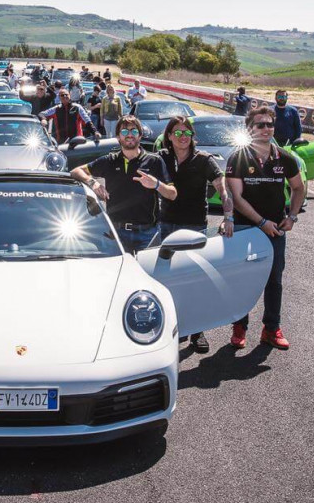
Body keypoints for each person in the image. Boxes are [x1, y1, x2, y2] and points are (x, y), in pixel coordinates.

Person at [226, 105, 307, 351]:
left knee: (274, 281)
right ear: (249, 129)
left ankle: (271, 329)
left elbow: (299, 188)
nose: (266, 129)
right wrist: (261, 223)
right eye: (260, 125)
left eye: (269, 124)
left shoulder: (285, 158)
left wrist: (292, 216)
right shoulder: (238, 157)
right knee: (243, 280)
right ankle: (240, 327)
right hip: (245, 228)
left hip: (276, 230)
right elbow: (237, 197)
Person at [157, 116, 233, 353]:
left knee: (194, 280)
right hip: (164, 225)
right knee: (167, 280)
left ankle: (197, 331)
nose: (182, 137)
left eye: (186, 133)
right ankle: (175, 326)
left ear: (192, 137)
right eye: (177, 133)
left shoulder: (204, 160)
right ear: (168, 136)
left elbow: (222, 186)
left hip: (193, 227)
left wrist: (228, 215)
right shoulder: (161, 158)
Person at [70, 115, 176, 253]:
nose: (129, 135)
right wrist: (93, 183)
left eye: (134, 131)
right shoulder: (110, 160)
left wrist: (156, 184)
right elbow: (75, 171)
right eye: (124, 131)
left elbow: (172, 194)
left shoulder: (154, 161)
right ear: (118, 136)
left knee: (145, 273)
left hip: (147, 234)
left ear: (140, 135)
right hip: (115, 233)